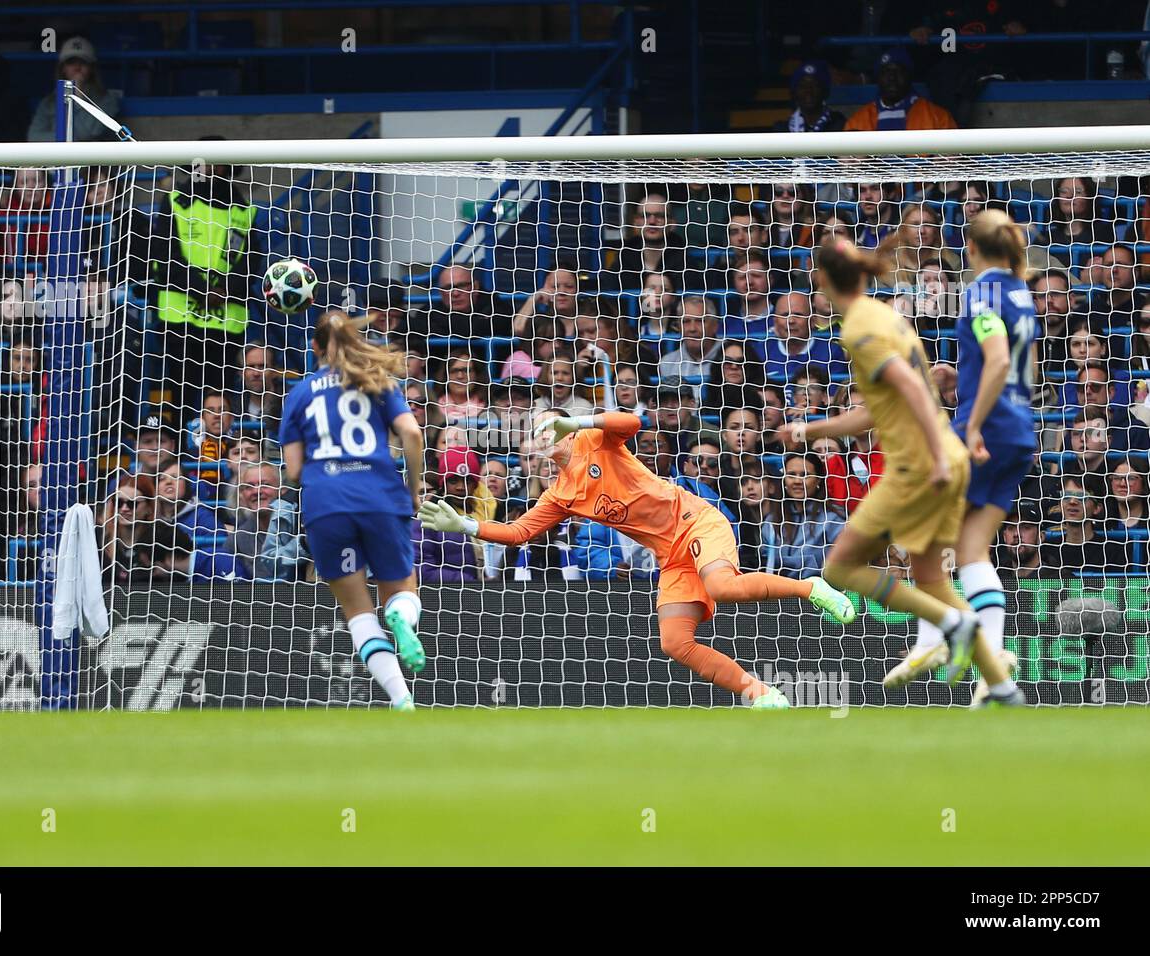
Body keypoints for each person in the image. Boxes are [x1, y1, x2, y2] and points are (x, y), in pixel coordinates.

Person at [418, 410, 857, 709]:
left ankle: (812, 588)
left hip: (697, 521)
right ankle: (761, 694)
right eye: (532, 432)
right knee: (674, 643)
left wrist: (579, 418)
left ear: (564, 429)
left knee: (724, 585)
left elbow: (635, 421)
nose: (539, 435)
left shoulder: (596, 439)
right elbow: (519, 533)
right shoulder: (560, 494)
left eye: (545, 426)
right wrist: (466, 526)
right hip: (672, 554)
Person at [780, 238, 1021, 704]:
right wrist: (812, 429)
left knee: (841, 567)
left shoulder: (858, 329)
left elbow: (911, 387)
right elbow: (878, 408)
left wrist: (930, 451)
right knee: (931, 579)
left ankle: (954, 624)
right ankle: (1001, 686)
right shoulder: (887, 315)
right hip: (947, 454)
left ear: (822, 281)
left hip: (918, 464)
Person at [882, 211, 1037, 702]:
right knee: (970, 549)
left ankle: (933, 640)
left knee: (920, 527)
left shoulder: (981, 293)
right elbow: (1002, 360)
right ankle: (996, 667)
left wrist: (968, 424)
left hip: (985, 430)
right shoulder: (1019, 291)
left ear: (970, 248)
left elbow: (994, 358)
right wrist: (960, 380)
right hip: (1018, 429)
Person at [280, 311, 426, 711]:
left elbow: (293, 471)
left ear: (314, 349)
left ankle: (401, 699)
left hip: (326, 505)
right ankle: (400, 617)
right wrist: (412, 489)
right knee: (400, 592)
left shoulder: (300, 393)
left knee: (357, 610)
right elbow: (412, 433)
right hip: (380, 496)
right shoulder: (377, 381)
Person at [144, 147, 258, 414]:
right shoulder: (174, 202)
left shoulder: (244, 211)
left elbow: (251, 263)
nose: (210, 170)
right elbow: (165, 256)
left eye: (216, 165)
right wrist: (202, 290)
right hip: (179, 321)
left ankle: (216, 455)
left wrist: (225, 290)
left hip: (226, 322)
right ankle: (180, 453)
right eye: (204, 164)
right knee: (181, 398)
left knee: (221, 401)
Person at [761, 451, 845, 580]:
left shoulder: (833, 519)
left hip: (821, 592)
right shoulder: (772, 521)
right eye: (791, 475)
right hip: (779, 594)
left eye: (805, 475)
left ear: (818, 481)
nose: (797, 481)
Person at [28, 37, 124, 142]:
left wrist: (78, 95)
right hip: (58, 156)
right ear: (63, 68)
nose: (77, 67)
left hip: (93, 156)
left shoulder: (107, 99)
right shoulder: (49, 102)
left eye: (83, 62)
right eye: (71, 62)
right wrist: (66, 139)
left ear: (91, 68)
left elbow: (89, 133)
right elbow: (34, 136)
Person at [414, 445, 485, 583]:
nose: (460, 487)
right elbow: (420, 568)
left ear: (476, 485)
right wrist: (471, 582)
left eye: (467, 481)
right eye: (453, 481)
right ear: (443, 484)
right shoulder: (428, 515)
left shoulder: (491, 510)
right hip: (449, 598)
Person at [226, 461, 305, 582]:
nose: (257, 491)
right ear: (241, 496)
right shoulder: (238, 539)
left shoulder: (300, 524)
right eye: (249, 487)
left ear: (282, 491)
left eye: (265, 484)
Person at [844, 48, 956, 133]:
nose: (892, 77)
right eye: (886, 72)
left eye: (899, 71)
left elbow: (952, 160)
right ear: (878, 78)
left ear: (910, 76)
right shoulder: (857, 121)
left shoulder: (938, 117)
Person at [779, 60, 845, 133]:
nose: (808, 91)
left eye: (815, 85)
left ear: (825, 92)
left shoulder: (840, 124)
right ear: (794, 93)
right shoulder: (782, 129)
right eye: (802, 86)